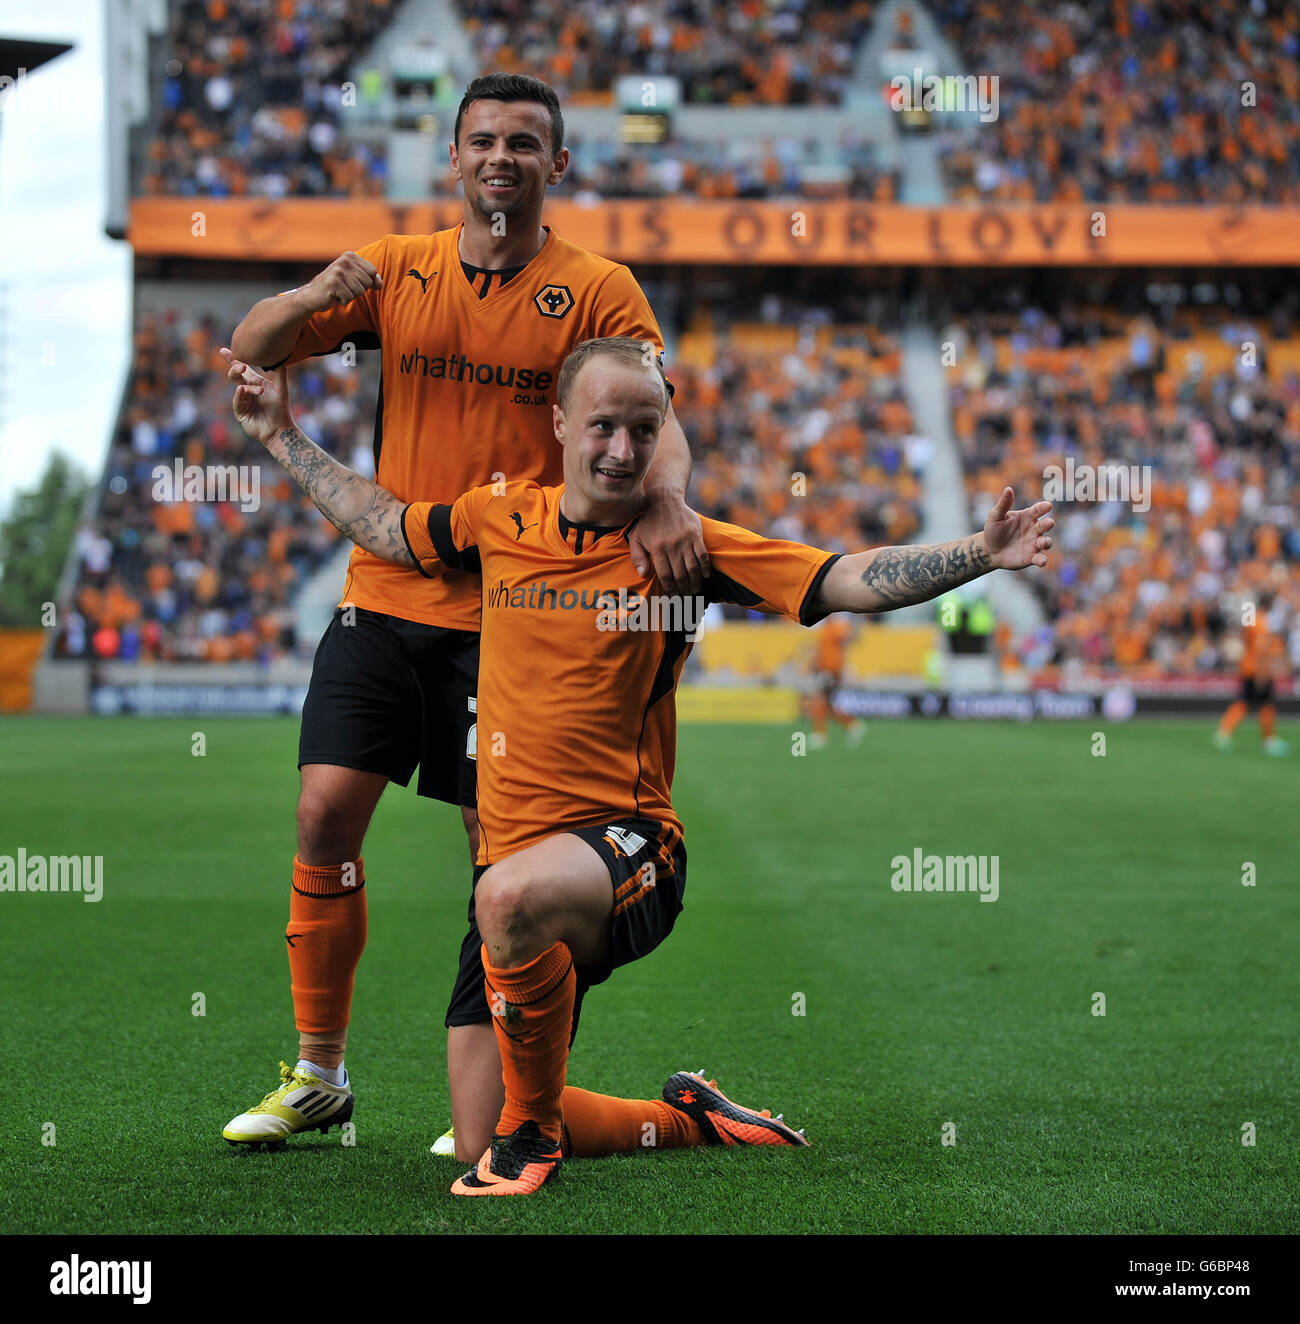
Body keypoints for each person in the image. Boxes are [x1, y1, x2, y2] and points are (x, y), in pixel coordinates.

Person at [221, 335, 1055, 1194]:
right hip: (516, 872)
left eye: (643, 429)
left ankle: (531, 1141)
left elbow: (843, 578)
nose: (622, 450)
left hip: (632, 855)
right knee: (476, 1122)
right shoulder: (497, 520)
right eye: (604, 427)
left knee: (503, 907)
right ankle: (694, 1122)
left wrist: (979, 556)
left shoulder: (685, 553)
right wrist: (278, 434)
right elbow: (383, 526)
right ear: (559, 424)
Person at [222, 74, 706, 1162]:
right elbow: (255, 346)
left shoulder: (598, 287)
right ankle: (319, 1075)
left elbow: (654, 412)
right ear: (454, 158)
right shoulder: (397, 268)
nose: (501, 156)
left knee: (501, 863)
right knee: (320, 816)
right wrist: (310, 298)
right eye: (482, 139)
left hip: (515, 615)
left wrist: (669, 498)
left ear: (557, 165)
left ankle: (508, 1098)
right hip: (386, 590)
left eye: (524, 142)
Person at [1215, 595, 1291, 756]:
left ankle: (1228, 733)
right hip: (1257, 669)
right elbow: (1260, 649)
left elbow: (1246, 638)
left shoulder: (1252, 619)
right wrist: (1262, 673)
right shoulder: (1262, 622)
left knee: (1259, 703)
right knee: (1255, 702)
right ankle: (1228, 733)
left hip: (1248, 666)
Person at [806, 616, 865, 749]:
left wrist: (855, 627)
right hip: (826, 669)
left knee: (820, 700)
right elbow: (823, 650)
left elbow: (848, 639)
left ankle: (820, 734)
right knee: (827, 703)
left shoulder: (836, 626)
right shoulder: (826, 627)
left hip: (832, 670)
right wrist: (815, 663)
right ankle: (852, 724)